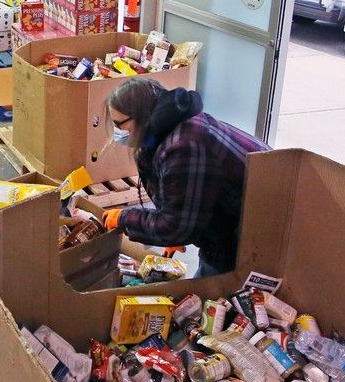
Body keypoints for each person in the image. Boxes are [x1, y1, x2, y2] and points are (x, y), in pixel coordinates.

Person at [97, 78, 269, 277]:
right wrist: (172, 230)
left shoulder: (184, 146)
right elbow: (187, 192)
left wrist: (125, 219)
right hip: (230, 223)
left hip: (252, 234)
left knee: (209, 298)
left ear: (143, 117)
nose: (119, 132)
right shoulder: (170, 127)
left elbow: (176, 226)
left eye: (120, 124)